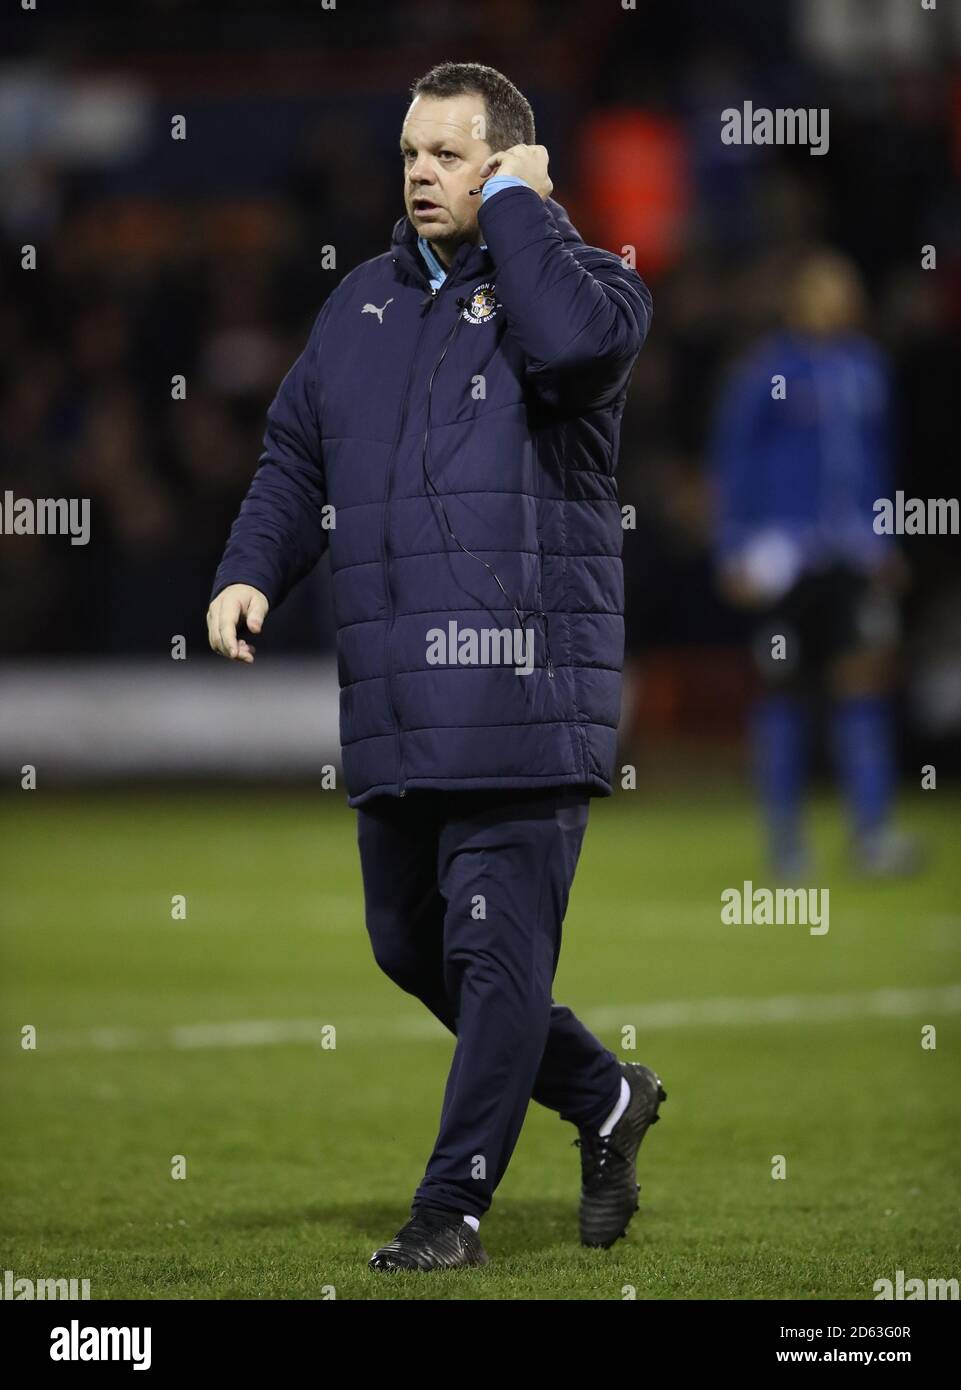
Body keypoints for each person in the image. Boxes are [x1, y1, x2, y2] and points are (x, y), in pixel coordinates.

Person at [207, 61, 662, 1272]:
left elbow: (567, 350)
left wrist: (523, 212)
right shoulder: (356, 303)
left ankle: (448, 1207)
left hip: (524, 689)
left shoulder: (589, 289)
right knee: (408, 945)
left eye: (452, 155)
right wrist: (249, 566)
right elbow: (296, 456)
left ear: (511, 164)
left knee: (494, 958)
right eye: (411, 151)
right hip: (397, 697)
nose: (419, 172)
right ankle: (606, 1092)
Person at [711, 249, 920, 878]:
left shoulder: (867, 369)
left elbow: (877, 464)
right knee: (783, 693)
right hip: (783, 560)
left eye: (845, 287)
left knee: (862, 682)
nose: (839, 298)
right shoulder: (767, 371)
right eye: (826, 287)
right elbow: (735, 463)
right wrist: (733, 550)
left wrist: (886, 537)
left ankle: (872, 834)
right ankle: (787, 844)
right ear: (798, 297)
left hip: (850, 552)